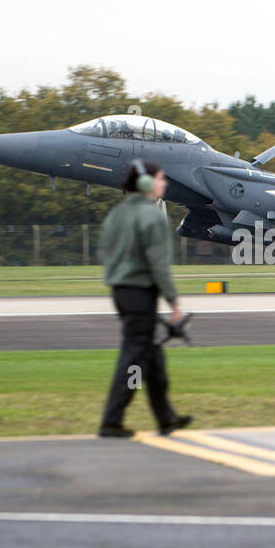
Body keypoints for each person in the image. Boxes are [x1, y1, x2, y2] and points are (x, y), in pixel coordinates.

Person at [97, 160, 192, 438]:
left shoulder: (117, 214)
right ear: (147, 184)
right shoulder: (151, 216)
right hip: (140, 293)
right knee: (134, 357)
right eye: (161, 179)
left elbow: (105, 251)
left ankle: (166, 419)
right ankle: (111, 420)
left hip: (121, 291)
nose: (165, 183)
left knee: (152, 356)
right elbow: (159, 264)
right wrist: (173, 301)